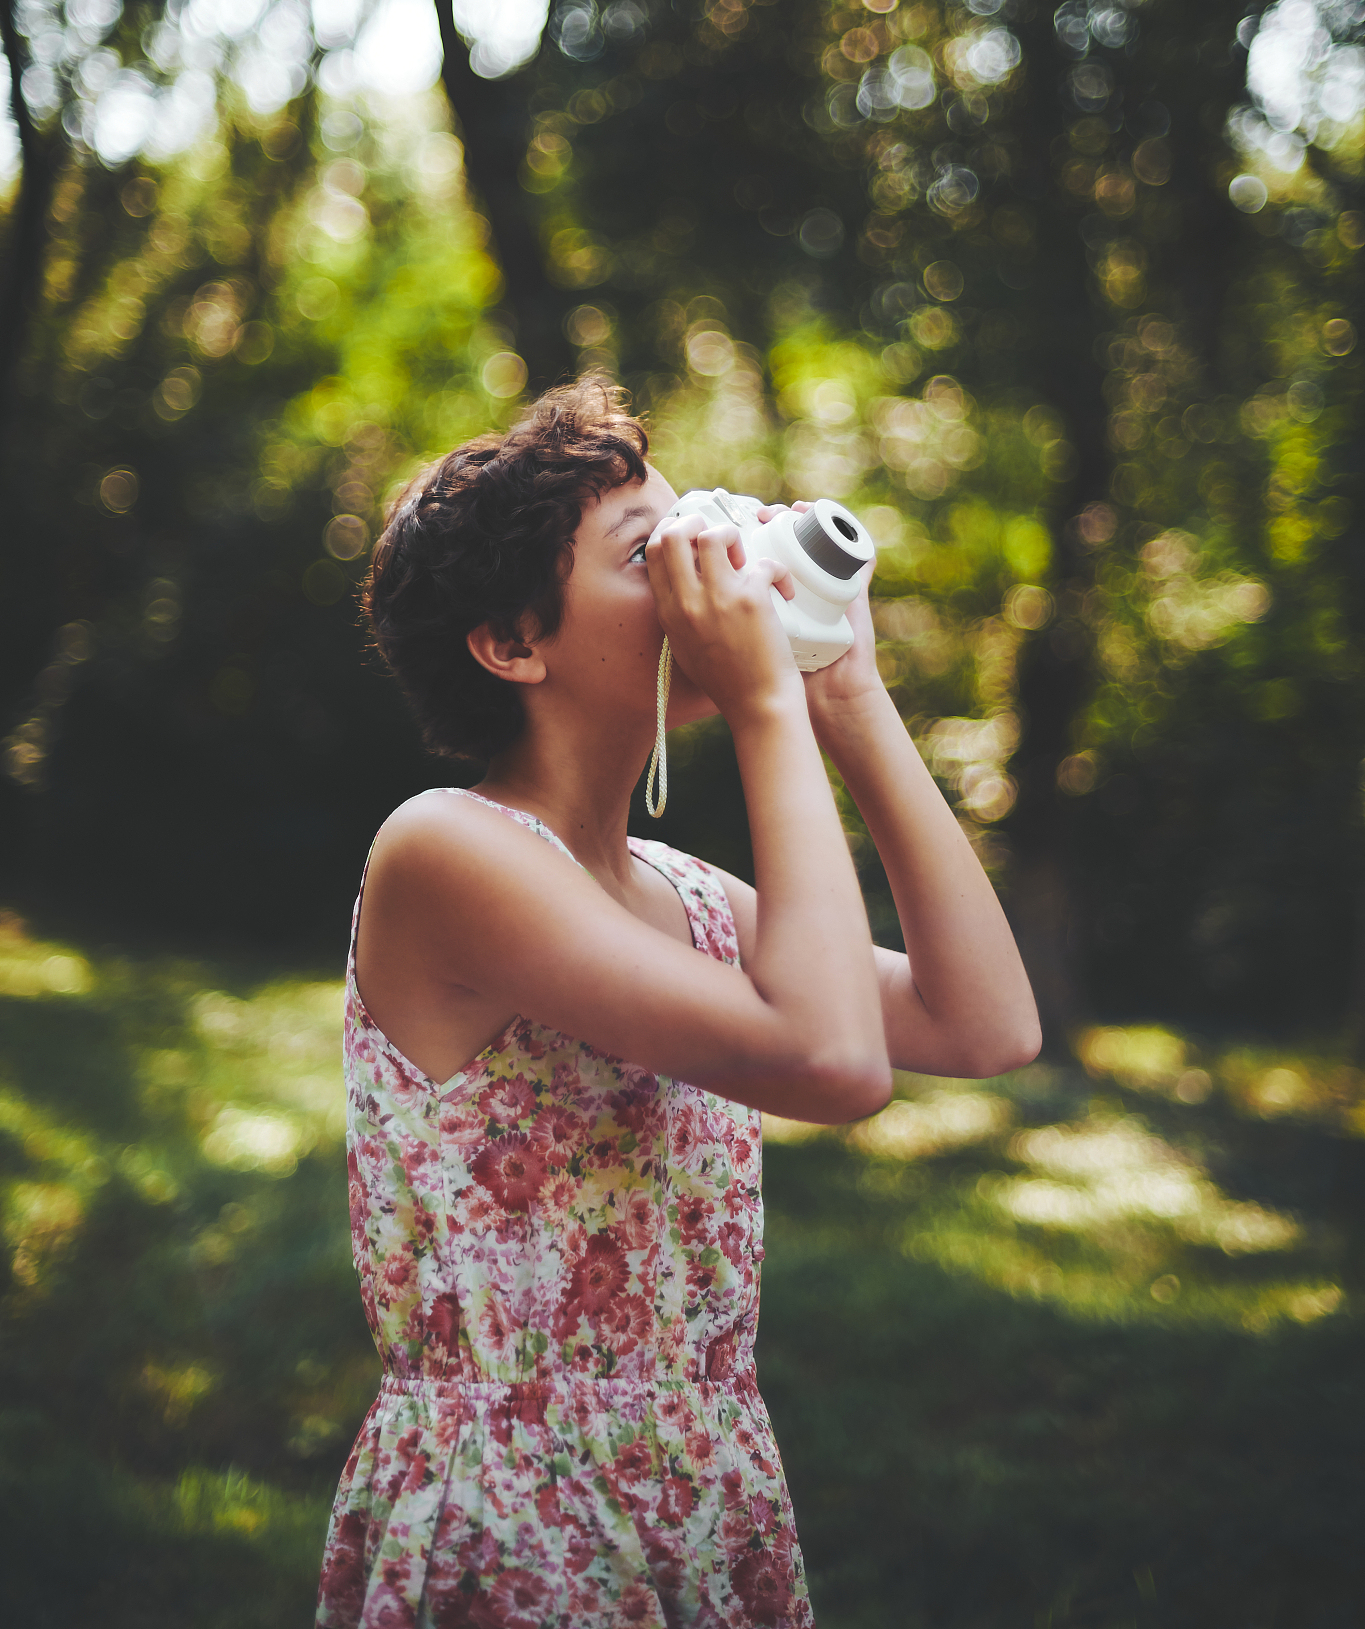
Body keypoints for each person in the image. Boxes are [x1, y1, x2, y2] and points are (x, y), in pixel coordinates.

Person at [315, 379, 1040, 1629]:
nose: (709, 572)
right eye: (651, 553)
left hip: (703, 1493)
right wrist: (765, 705)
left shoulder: (682, 894)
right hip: (523, 1513)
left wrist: (846, 696)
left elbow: (984, 1024)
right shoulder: (444, 851)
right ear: (512, 641)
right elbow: (832, 1063)